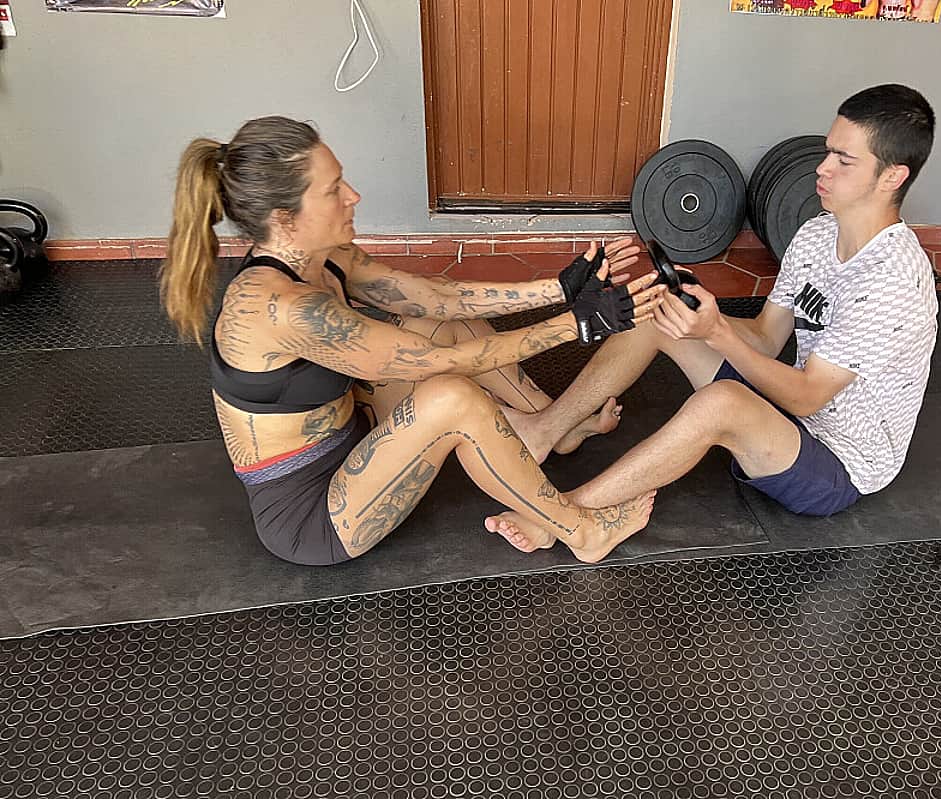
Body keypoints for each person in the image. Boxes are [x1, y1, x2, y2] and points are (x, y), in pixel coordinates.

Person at [158, 115, 664, 566]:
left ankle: (551, 427)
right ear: (286, 218)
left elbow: (432, 298)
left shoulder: (324, 255)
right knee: (451, 394)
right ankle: (582, 532)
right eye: (334, 189)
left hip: (351, 430)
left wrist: (560, 288)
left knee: (438, 326)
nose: (352, 195)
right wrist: (575, 325)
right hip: (314, 515)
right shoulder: (281, 307)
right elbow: (441, 363)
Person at [492, 84, 938, 552]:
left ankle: (564, 518)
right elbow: (766, 337)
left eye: (844, 161)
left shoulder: (893, 280)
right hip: (788, 410)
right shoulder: (815, 235)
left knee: (722, 402)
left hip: (837, 464)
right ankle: (545, 431)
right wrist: (698, 309)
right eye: (828, 151)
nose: (822, 168)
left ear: (892, 177)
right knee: (655, 315)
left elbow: (807, 397)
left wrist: (718, 334)